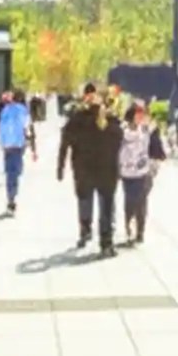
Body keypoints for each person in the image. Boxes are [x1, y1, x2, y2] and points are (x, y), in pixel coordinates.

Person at [58, 84, 123, 257]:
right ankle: (106, 242)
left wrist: (61, 166)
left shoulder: (77, 118)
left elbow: (65, 142)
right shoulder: (111, 120)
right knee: (106, 207)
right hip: (105, 170)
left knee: (87, 202)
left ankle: (86, 229)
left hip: (84, 169)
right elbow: (120, 142)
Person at [118, 101, 166, 246]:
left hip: (143, 172)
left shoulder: (148, 130)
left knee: (141, 201)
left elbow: (157, 148)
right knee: (129, 202)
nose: (140, 117)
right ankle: (129, 227)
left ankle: (140, 231)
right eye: (137, 114)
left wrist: (155, 163)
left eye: (142, 114)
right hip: (126, 172)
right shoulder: (122, 131)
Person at [0, 89, 37, 216]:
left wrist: (1, 143)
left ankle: (11, 197)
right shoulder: (23, 111)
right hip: (18, 145)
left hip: (8, 146)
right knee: (15, 172)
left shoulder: (5, 110)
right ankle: (12, 198)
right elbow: (28, 129)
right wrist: (32, 147)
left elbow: (1, 128)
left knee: (10, 173)